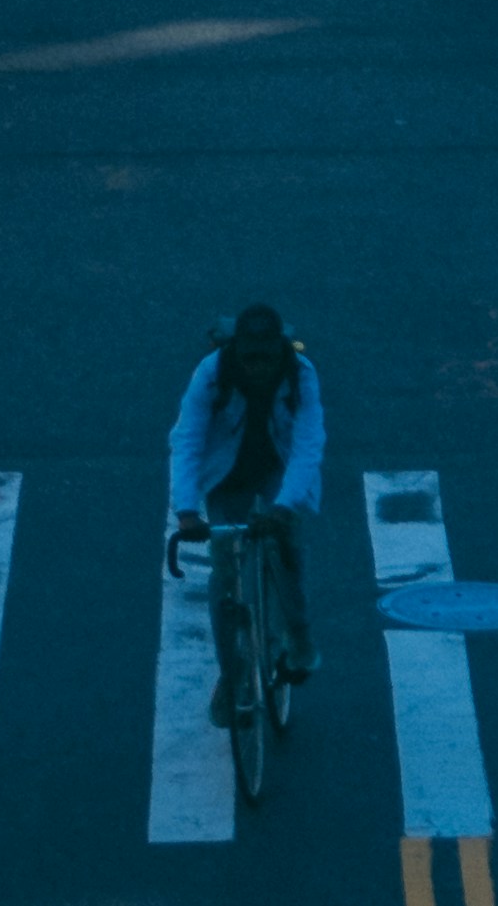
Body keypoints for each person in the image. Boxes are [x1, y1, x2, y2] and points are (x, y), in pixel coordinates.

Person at [165, 304, 332, 729]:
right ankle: (232, 676)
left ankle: (301, 642)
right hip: (228, 474)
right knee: (225, 574)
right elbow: (187, 439)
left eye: (267, 358)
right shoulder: (211, 372)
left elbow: (309, 443)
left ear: (280, 352)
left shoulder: (301, 372)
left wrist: (284, 506)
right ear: (237, 351)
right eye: (250, 358)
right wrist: (186, 510)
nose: (258, 368)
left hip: (279, 468)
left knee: (288, 547)